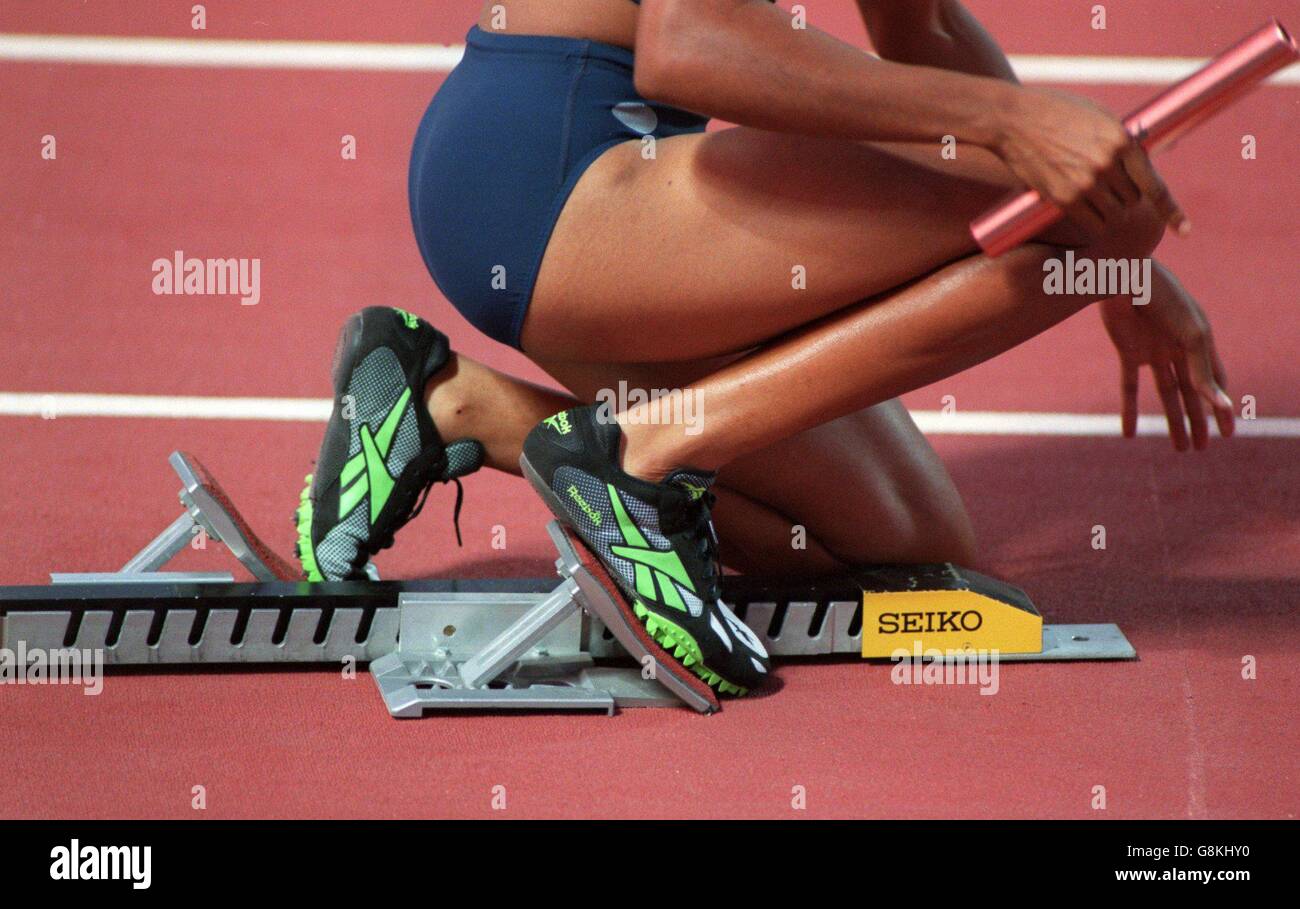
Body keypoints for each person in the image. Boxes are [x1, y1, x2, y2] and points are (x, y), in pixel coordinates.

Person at [295, 0, 1234, 696]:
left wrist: (1104, 242)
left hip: (595, 180)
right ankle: (649, 456)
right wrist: (1032, 148)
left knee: (901, 541)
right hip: (554, 170)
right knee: (1111, 216)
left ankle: (451, 406)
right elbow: (693, 43)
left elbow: (928, 25)